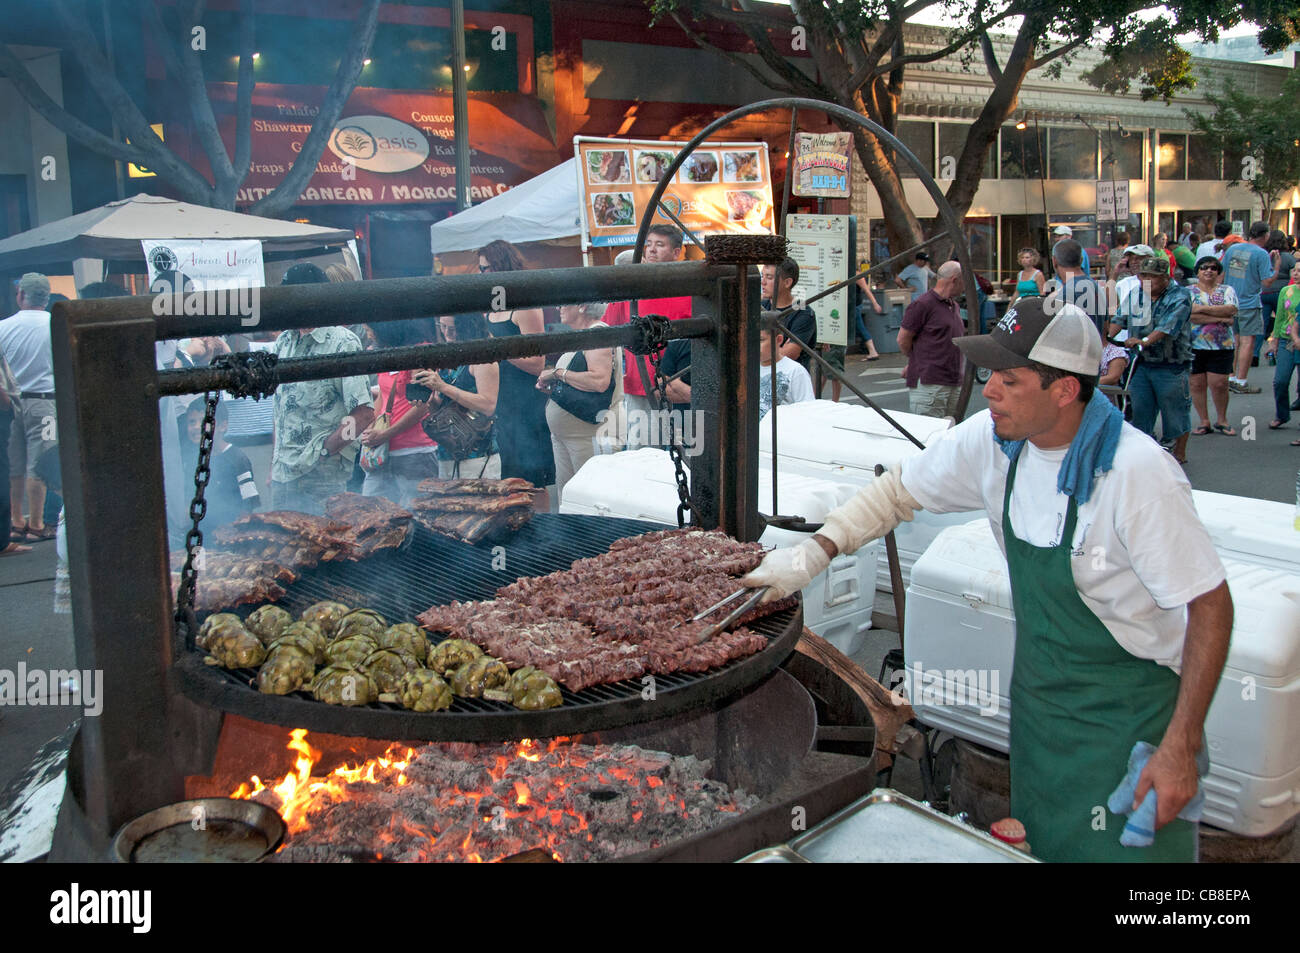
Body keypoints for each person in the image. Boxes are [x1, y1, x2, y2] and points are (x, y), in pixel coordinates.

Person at [742, 297, 1232, 862]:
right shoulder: (995, 441)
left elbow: (1211, 607)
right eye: (990, 373)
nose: (990, 388)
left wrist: (1181, 744)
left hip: (1131, 723)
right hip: (1042, 710)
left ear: (1065, 390)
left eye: (1010, 378)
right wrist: (812, 552)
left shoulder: (1137, 475)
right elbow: (899, 492)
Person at [268, 263, 374, 514]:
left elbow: (363, 415)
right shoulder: (284, 341)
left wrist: (326, 451)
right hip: (282, 475)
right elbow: (281, 410)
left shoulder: (342, 342)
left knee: (322, 549)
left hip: (321, 480)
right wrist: (274, 463)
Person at [601, 225, 693, 451]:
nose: (651, 250)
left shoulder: (689, 290)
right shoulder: (632, 290)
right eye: (648, 244)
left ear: (676, 252)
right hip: (639, 386)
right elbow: (607, 326)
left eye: (660, 245)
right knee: (642, 455)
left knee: (683, 454)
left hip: (678, 389)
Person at [478, 240, 553, 506]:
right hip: (501, 403)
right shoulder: (491, 308)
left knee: (533, 479)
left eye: (485, 269)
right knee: (508, 477)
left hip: (525, 402)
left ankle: (544, 529)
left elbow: (537, 362)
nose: (481, 274)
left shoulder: (525, 306)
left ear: (501, 266)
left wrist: (498, 349)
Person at [1111, 257, 1195, 465]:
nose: (1146, 281)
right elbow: (1118, 321)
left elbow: (1168, 327)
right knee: (1140, 411)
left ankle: (1179, 453)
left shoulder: (1180, 296)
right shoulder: (1135, 295)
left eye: (1152, 277)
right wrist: (1104, 341)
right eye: (1142, 276)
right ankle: (1144, 454)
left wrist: (1144, 341)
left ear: (1165, 278)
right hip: (1141, 364)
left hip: (1172, 364)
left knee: (1175, 412)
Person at [537, 302, 619, 499]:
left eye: (564, 303)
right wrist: (555, 390)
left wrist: (556, 374)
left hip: (587, 437)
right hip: (568, 436)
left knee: (592, 500)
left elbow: (599, 381)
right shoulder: (583, 336)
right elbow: (581, 384)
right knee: (570, 498)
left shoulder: (597, 334)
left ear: (582, 306)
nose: (558, 308)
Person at [358, 320, 439, 508]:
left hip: (414, 452)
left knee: (415, 513)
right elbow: (383, 397)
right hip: (381, 451)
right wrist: (372, 426)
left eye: (371, 330)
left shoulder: (420, 352)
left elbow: (422, 406)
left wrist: (387, 433)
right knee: (371, 510)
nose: (369, 335)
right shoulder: (388, 351)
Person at [0, 273, 57, 542]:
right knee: (41, 463)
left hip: (11, 403)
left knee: (15, 465)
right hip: (46, 404)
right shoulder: (55, 325)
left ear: (21, 295)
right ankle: (36, 523)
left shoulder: (3, 327)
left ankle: (16, 520)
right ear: (46, 298)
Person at [411, 314, 501, 480]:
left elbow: (488, 405)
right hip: (447, 453)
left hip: (478, 456)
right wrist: (430, 401)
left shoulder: (483, 359)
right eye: (443, 327)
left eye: (452, 329)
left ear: (468, 327)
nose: (447, 333)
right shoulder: (448, 357)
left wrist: (443, 387)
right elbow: (445, 406)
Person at [899, 260, 965, 419]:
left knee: (952, 436)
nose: (966, 286)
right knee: (930, 437)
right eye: (965, 281)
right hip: (931, 384)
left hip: (953, 381)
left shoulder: (953, 305)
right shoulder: (923, 304)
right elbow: (903, 339)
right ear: (954, 280)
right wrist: (916, 360)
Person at [1222, 222, 1282, 394]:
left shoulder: (1233, 249)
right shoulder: (1261, 254)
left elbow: (1223, 273)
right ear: (1265, 236)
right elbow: (1267, 281)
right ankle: (1241, 381)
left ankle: (1230, 377)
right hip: (1249, 303)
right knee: (1247, 342)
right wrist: (1276, 265)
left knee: (1233, 340)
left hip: (1230, 301)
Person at [181, 398, 260, 526]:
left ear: (223, 426)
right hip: (200, 531)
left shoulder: (237, 459)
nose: (196, 427)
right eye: (191, 422)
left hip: (230, 530)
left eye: (203, 421)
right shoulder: (191, 459)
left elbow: (249, 503)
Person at [1186, 257, 1238, 437]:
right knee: (1196, 383)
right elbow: (1190, 315)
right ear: (1197, 271)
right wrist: (1221, 318)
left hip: (1222, 345)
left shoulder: (1227, 290)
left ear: (1218, 272)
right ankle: (1204, 421)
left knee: (1220, 384)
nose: (1209, 271)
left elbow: (1231, 310)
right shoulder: (1188, 291)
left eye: (1213, 268)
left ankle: (1222, 419)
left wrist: (1200, 309)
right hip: (1194, 344)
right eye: (1204, 268)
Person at [760, 258, 816, 371]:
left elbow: (790, 354)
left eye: (769, 277)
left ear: (787, 282)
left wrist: (761, 350)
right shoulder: (761, 306)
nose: (763, 282)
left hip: (789, 380)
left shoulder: (803, 313)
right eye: (762, 276)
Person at [1264, 267, 1300, 438]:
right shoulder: (1286, 291)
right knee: (1280, 381)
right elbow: (1279, 317)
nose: (1296, 273)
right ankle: (1282, 415)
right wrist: (1274, 341)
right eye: (1295, 270)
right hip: (1287, 341)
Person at [0, 344, 29, 555]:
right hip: (42, 402)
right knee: (3, 473)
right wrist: (7, 404)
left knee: (10, 467)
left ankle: (13, 525)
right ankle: (2, 541)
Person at [1044, 239, 1105, 336]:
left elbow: (1058, 334)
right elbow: (1106, 327)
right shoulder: (1097, 287)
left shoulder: (1065, 293)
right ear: (1081, 260)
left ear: (1054, 261)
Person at [757, 325, 814, 416]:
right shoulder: (745, 368)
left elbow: (807, 411)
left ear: (779, 340)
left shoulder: (795, 371)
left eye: (760, 340)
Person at [854, 272, 884, 360]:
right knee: (858, 327)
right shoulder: (846, 273)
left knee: (860, 327)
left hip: (855, 305)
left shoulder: (857, 275)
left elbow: (867, 290)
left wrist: (875, 304)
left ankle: (873, 351)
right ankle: (872, 351)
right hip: (850, 305)